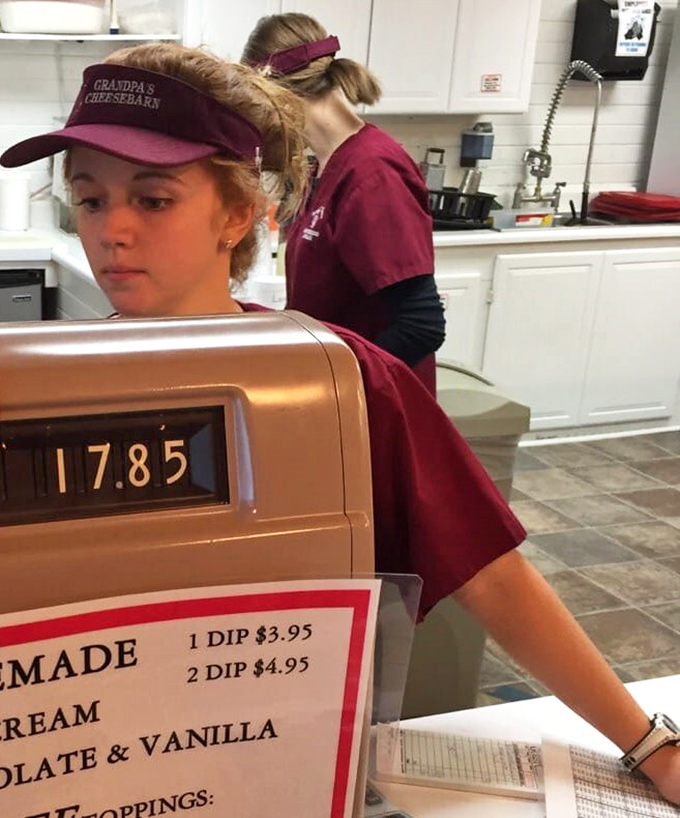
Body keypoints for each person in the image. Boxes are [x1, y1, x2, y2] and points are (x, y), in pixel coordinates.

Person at [2, 42, 678, 805]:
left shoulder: (342, 383)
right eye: (91, 199)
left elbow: (495, 576)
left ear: (239, 213)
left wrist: (652, 747)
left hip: (274, 773)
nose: (110, 230)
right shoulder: (43, 394)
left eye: (153, 199)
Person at [241, 13, 445, 395]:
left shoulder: (372, 172)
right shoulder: (322, 166)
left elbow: (421, 323)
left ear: (274, 91)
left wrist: (334, 386)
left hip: (373, 404)